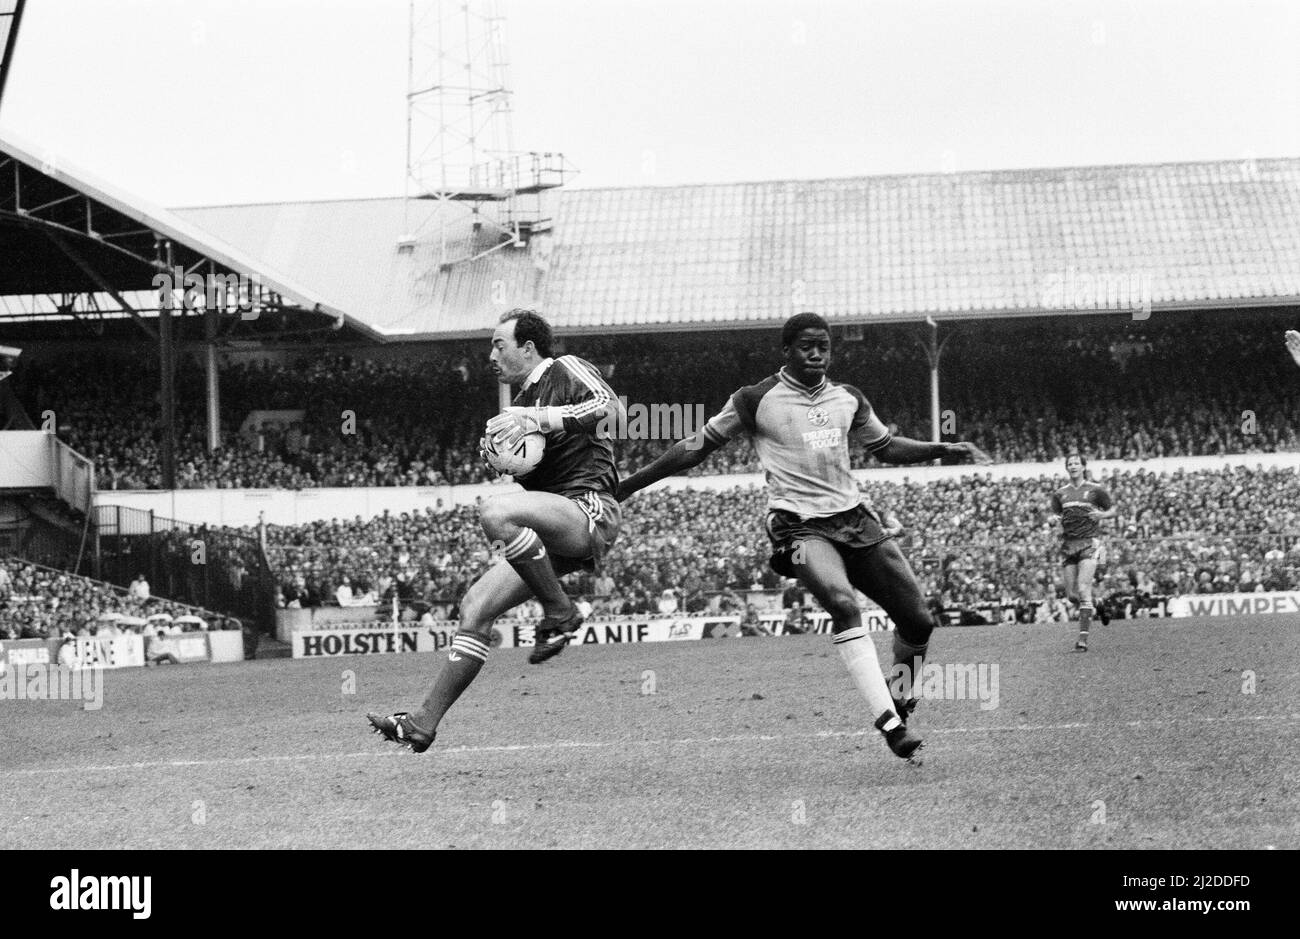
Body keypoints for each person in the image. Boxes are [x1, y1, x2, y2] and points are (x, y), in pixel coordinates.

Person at [617, 312, 991, 763]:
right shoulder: (755, 399)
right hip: (796, 527)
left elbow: (886, 446)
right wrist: (628, 485)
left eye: (824, 347)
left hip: (855, 519)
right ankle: (890, 725)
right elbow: (694, 448)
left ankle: (900, 699)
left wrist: (943, 448)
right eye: (806, 346)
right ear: (786, 351)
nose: (817, 354)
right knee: (843, 603)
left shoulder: (848, 398)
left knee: (918, 621)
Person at [368, 309, 624, 753]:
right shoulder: (518, 405)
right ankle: (422, 723)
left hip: (587, 511)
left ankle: (560, 614)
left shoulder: (566, 369)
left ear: (528, 348)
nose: (491, 355)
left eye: (498, 344)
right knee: (475, 608)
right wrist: (503, 453)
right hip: (551, 529)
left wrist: (539, 422)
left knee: (495, 512)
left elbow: (614, 411)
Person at [1049, 453, 1116, 651]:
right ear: (1066, 468)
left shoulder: (1095, 490)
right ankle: (1099, 603)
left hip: (1090, 543)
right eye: (1070, 464)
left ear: (1083, 466)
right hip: (1069, 545)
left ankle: (1082, 640)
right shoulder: (1060, 493)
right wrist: (1052, 521)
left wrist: (1102, 515)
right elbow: (1056, 515)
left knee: (1083, 587)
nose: (1073, 466)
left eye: (1077, 463)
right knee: (1071, 595)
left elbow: (1114, 510)